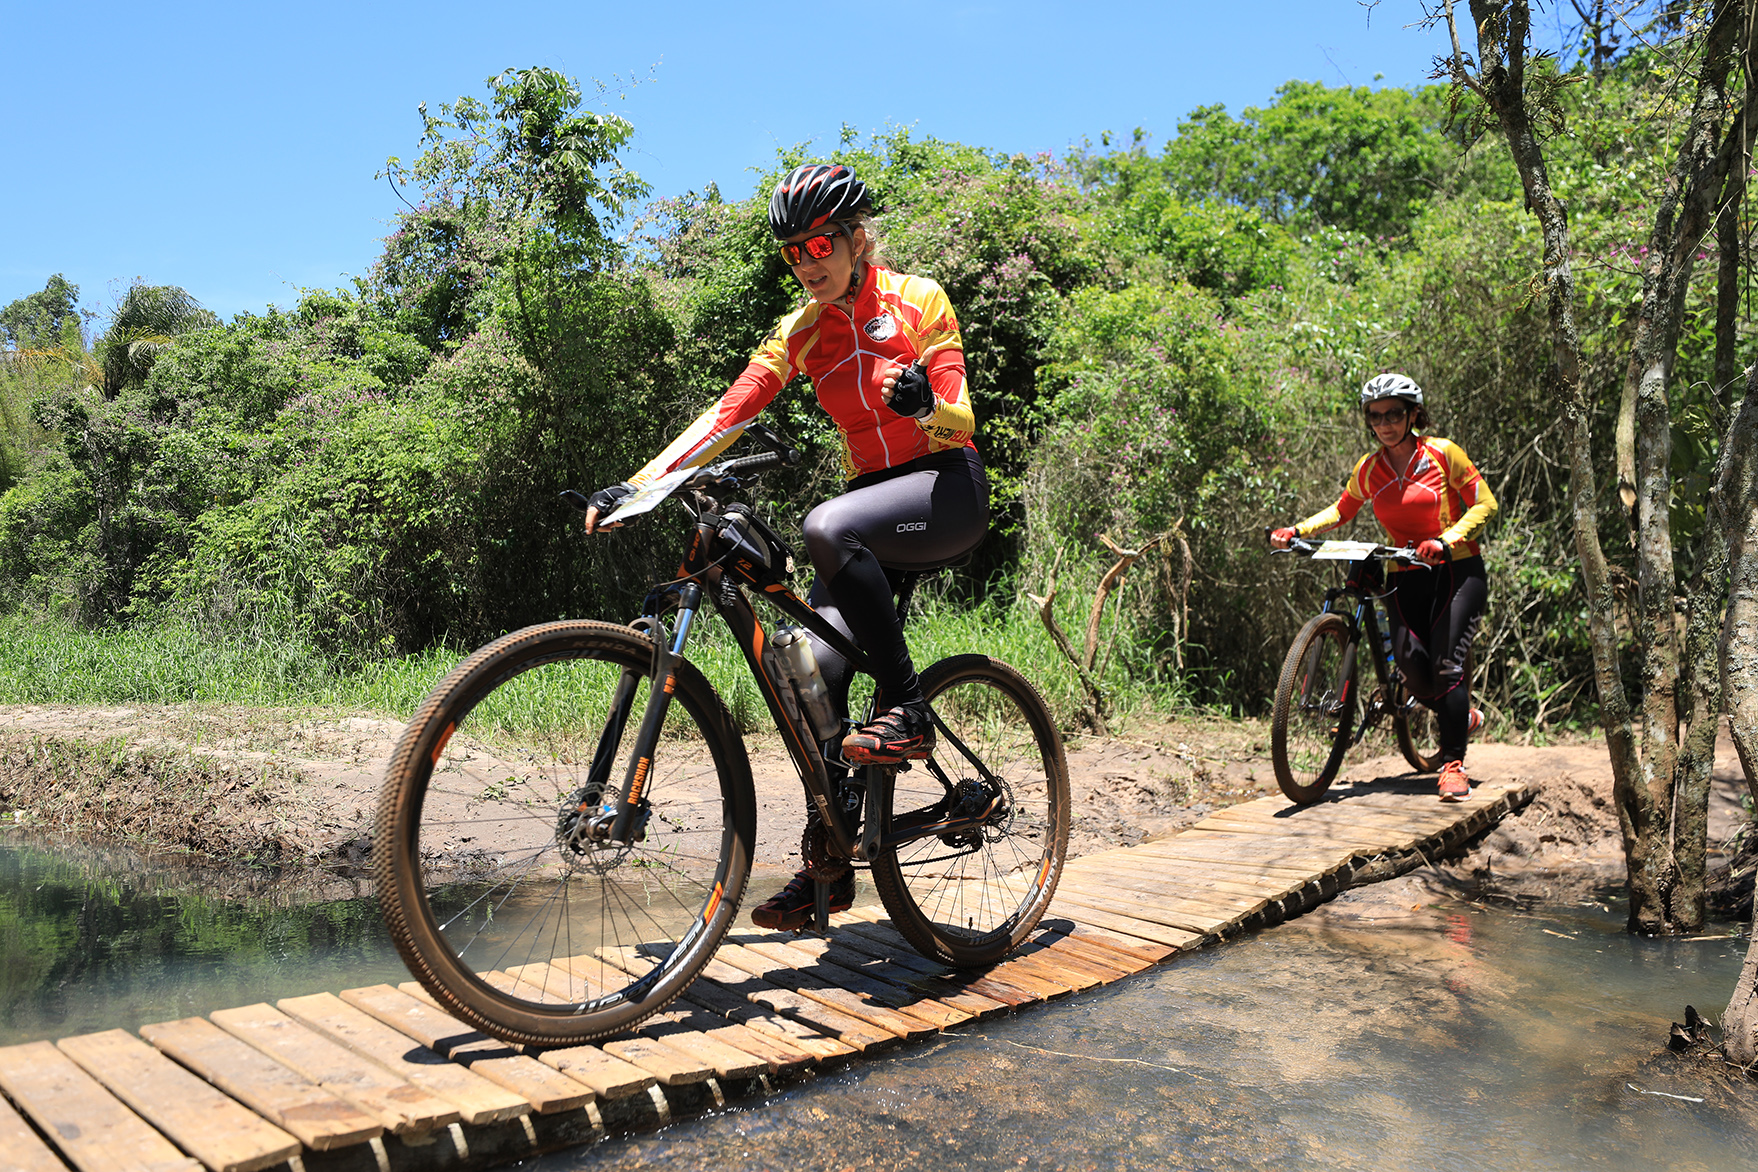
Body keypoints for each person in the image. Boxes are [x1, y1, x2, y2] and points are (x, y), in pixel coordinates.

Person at [581, 162, 989, 926]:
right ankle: (829, 866)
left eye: (820, 244)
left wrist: (925, 404)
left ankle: (909, 709)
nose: (807, 262)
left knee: (825, 524)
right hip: (874, 506)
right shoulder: (801, 331)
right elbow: (729, 413)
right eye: (793, 252)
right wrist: (636, 488)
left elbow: (960, 414)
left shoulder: (918, 299)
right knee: (810, 678)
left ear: (857, 239)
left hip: (946, 486)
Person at [1269, 373, 1497, 802]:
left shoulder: (1443, 454)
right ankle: (1459, 715)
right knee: (1412, 670)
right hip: (1404, 573)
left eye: (1393, 414)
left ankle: (1452, 765)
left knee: (1446, 668)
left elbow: (1485, 503)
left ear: (1413, 415)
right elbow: (1341, 510)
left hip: (1456, 571)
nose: (1384, 423)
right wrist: (1296, 530)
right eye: (1375, 416)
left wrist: (1445, 540)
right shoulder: (1370, 469)